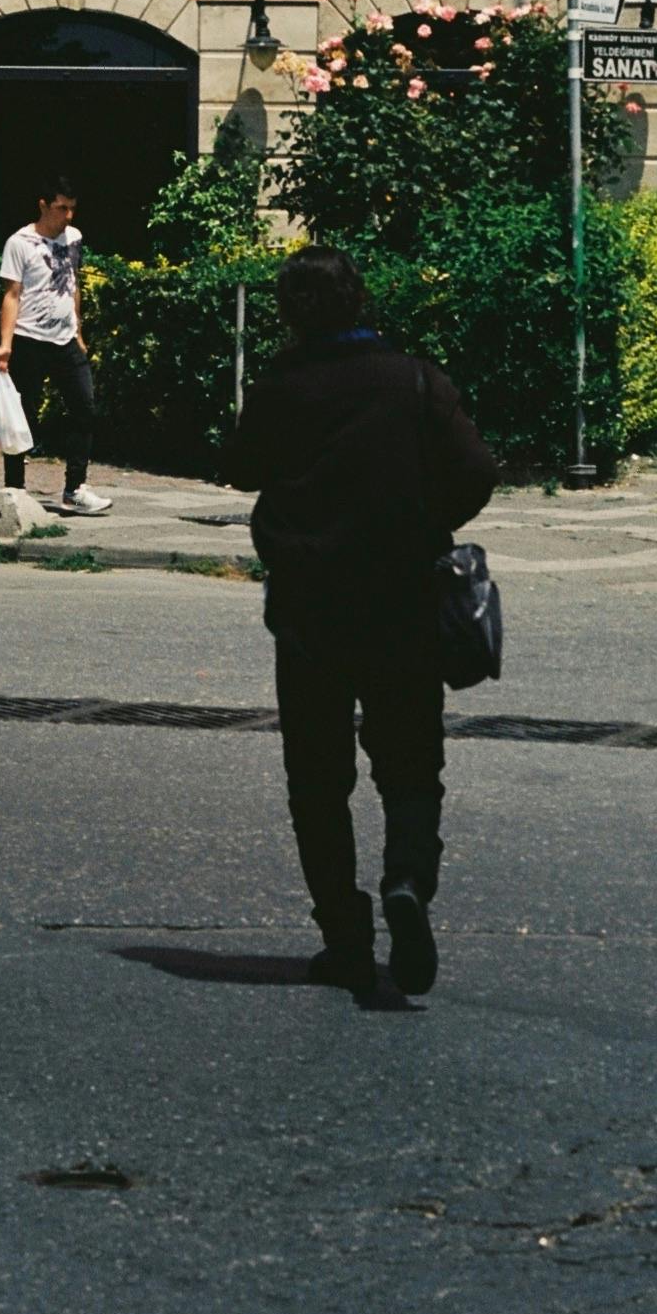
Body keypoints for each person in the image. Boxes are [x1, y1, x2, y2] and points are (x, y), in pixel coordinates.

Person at [225, 246, 496, 1001]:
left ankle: (344, 937)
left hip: (310, 606)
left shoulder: (279, 386)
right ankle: (407, 878)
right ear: (360, 302)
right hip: (403, 599)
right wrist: (425, 518)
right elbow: (476, 468)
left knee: (316, 779)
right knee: (410, 766)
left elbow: (240, 466)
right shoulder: (413, 378)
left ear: (290, 313)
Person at [0, 181, 110, 517]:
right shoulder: (20, 242)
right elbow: (11, 295)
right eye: (61, 208)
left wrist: (79, 330)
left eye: (72, 208)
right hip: (30, 339)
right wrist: (6, 344)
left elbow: (73, 285)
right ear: (43, 205)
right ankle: (15, 488)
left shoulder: (73, 238)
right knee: (20, 415)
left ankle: (75, 488)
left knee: (84, 406)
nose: (68, 216)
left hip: (66, 338)